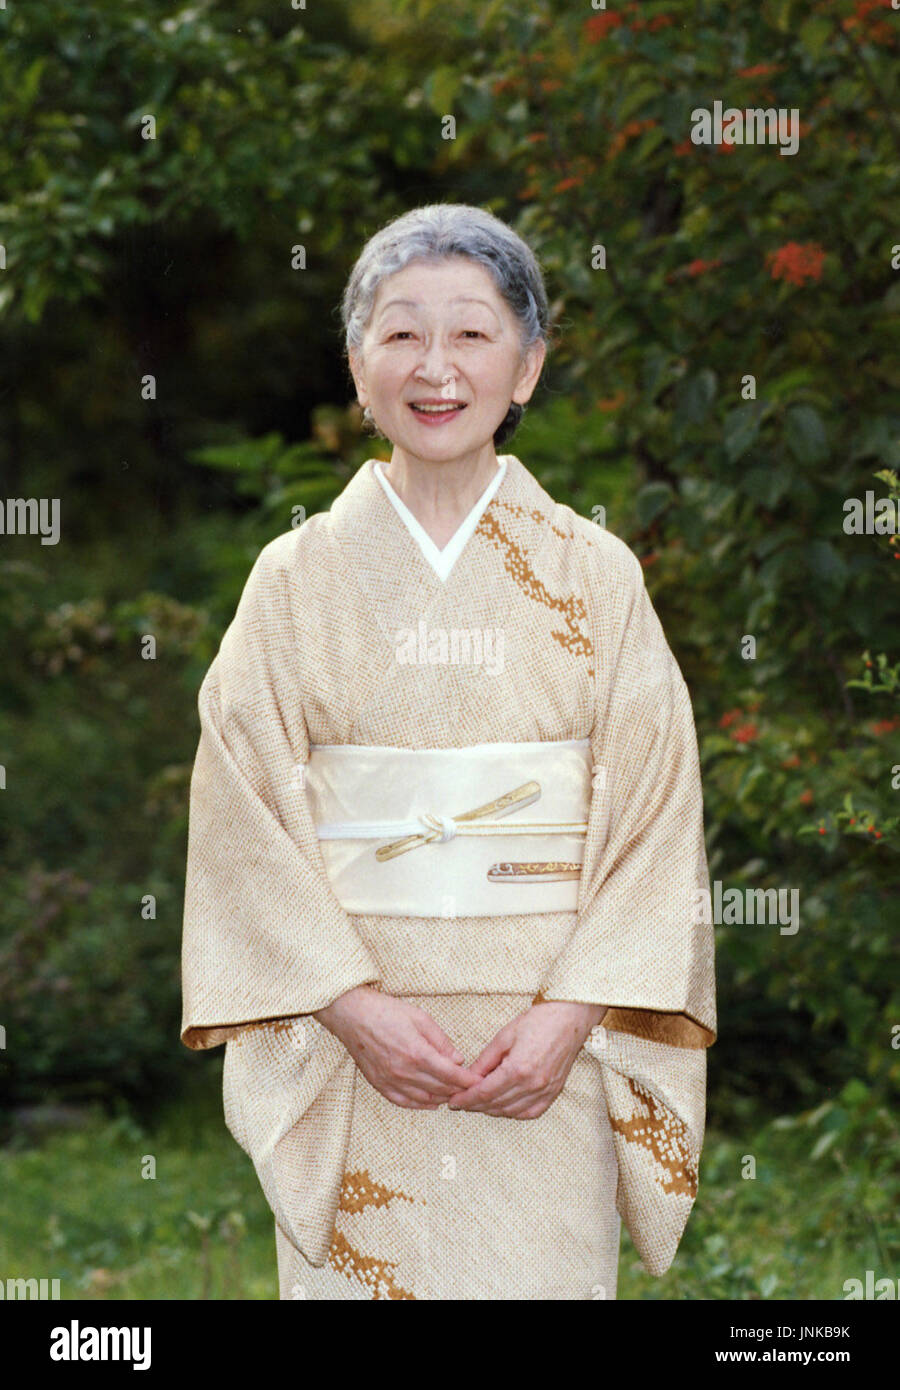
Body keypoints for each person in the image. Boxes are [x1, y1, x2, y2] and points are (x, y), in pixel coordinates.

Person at [180, 203, 716, 1300]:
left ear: (528, 366)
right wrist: (350, 1006)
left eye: (472, 333)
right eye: (401, 334)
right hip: (354, 1045)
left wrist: (572, 1015)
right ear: (356, 365)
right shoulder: (293, 580)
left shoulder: (595, 575)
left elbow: (657, 817)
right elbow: (242, 819)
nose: (436, 367)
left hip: (546, 1050)